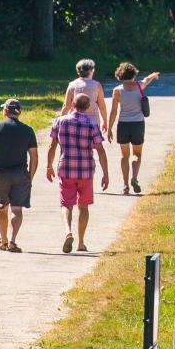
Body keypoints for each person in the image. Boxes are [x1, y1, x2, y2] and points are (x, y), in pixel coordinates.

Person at [47, 92, 109, 253]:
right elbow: (100, 150)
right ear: (88, 107)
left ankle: (68, 231)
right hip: (86, 171)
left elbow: (52, 145)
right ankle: (81, 242)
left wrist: (49, 166)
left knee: (66, 204)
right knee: (84, 206)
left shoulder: (60, 121)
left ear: (72, 105)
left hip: (66, 168)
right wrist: (106, 173)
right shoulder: (91, 124)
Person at [0, 98, 38, 253]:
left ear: (5, 111)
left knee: (2, 208)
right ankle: (13, 241)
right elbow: (34, 156)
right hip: (20, 174)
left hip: (1, 174)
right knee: (17, 210)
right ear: (19, 112)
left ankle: (3, 240)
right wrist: (29, 177)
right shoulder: (28, 130)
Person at [107, 62, 160, 194]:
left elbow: (113, 112)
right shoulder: (139, 86)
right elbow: (147, 79)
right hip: (138, 124)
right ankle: (134, 177)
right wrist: (153, 75)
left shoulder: (117, 90)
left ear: (120, 74)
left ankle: (125, 186)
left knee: (124, 156)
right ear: (134, 74)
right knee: (137, 154)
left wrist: (109, 128)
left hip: (123, 125)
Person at [59, 58, 108, 133]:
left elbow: (66, 106)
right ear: (91, 70)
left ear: (78, 71)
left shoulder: (72, 85)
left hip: (75, 122)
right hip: (93, 122)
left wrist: (60, 122)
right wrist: (105, 121)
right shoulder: (97, 85)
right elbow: (102, 106)